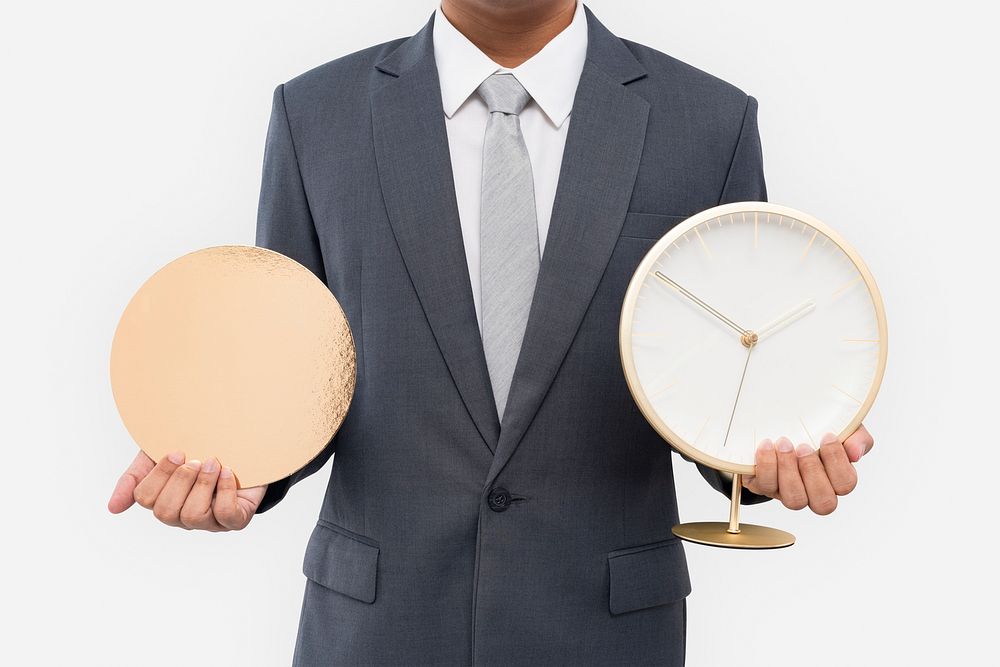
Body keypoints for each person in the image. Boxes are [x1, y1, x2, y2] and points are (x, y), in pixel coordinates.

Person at [108, 1, 875, 664]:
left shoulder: (709, 122)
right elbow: (286, 363)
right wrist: (241, 469)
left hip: (607, 634)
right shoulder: (315, 114)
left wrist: (767, 463)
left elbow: (733, 372)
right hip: (378, 629)